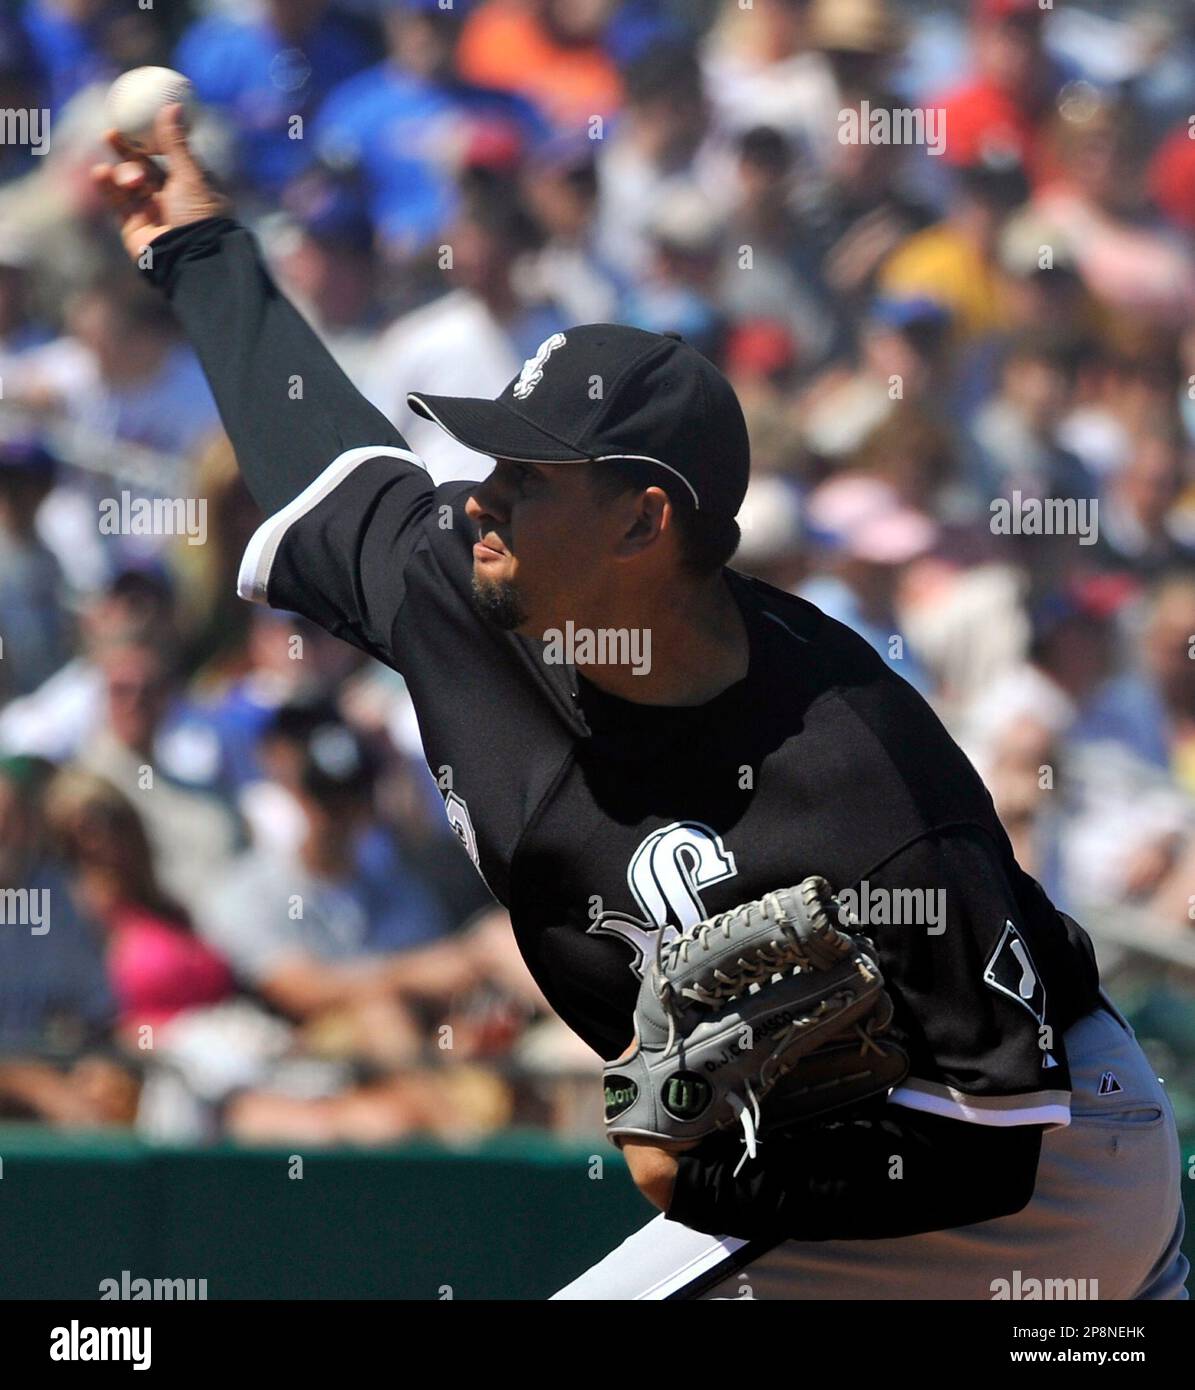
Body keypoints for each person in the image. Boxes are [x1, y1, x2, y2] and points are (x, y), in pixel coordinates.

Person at [90, 104, 1189, 1300]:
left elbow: (994, 1129)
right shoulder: (466, 600)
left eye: (526, 474)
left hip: (1039, 1166)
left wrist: (703, 1185)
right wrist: (196, 246)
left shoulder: (861, 773)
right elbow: (329, 467)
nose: (479, 500)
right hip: (852, 1159)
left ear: (642, 519)